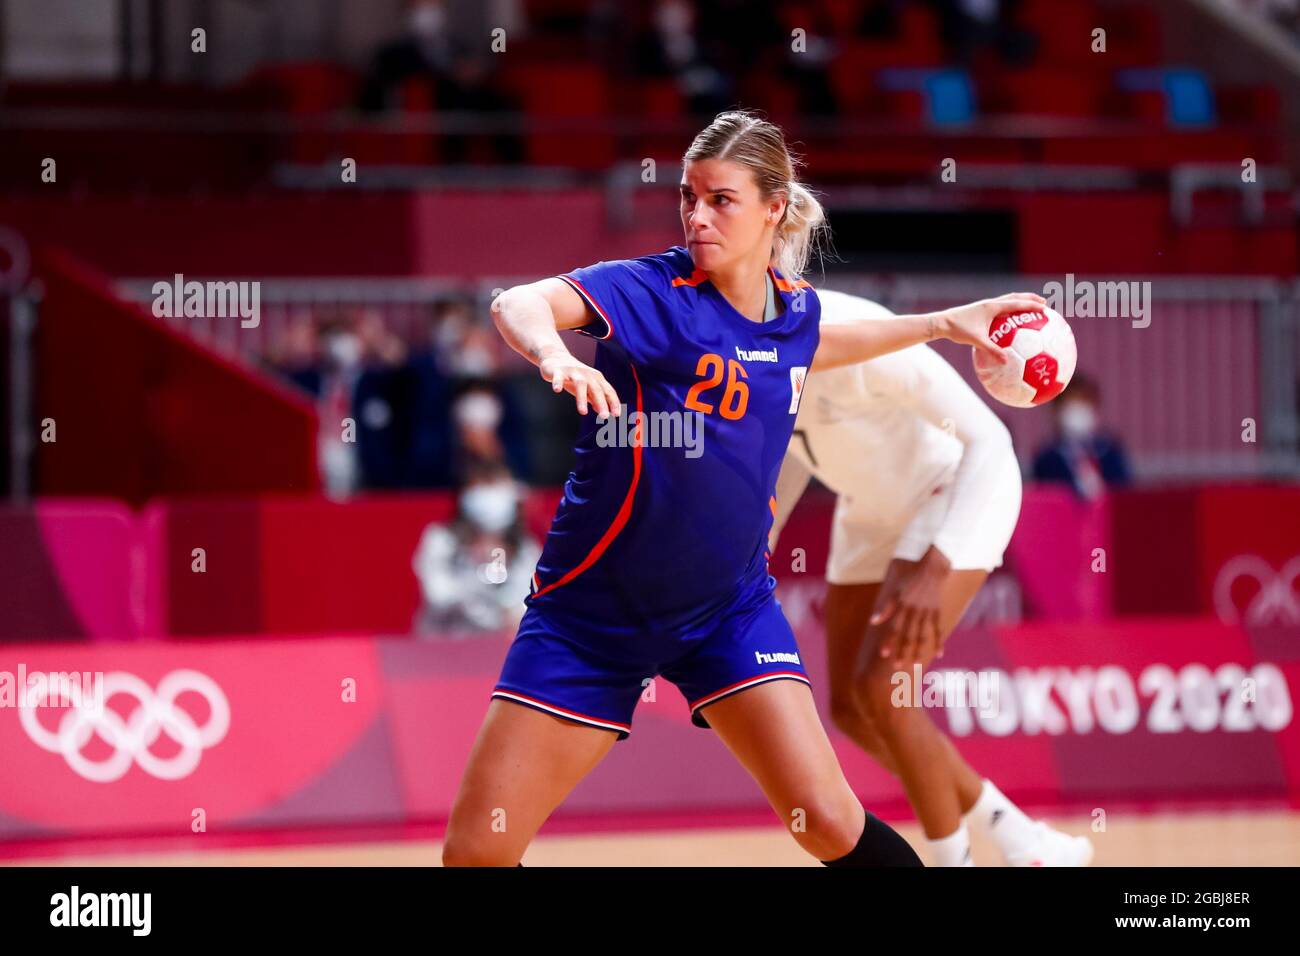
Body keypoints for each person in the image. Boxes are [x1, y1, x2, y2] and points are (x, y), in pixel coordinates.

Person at [441, 109, 1046, 867]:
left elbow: (824, 339)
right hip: (590, 618)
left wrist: (942, 324)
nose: (697, 215)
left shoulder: (791, 315)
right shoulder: (650, 291)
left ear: (775, 209)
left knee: (827, 820)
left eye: (720, 199)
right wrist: (549, 355)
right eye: (689, 196)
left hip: (726, 613)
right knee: (475, 854)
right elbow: (517, 302)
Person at [771, 289, 1094, 866]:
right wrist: (759, 542)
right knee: (849, 705)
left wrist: (936, 565)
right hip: (869, 505)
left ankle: (955, 861)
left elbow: (991, 440)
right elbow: (793, 450)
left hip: (952, 490)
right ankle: (1021, 837)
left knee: (883, 688)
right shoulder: (748, 349)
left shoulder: (858, 331)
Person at [412, 461, 541, 635]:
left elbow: (525, 603)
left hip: (499, 648)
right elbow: (439, 596)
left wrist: (499, 577)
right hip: (446, 643)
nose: (490, 500)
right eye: (483, 488)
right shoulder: (441, 540)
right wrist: (474, 567)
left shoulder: (525, 548)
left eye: (496, 487)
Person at [1030, 372, 1132, 499]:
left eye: (1083, 403)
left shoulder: (1110, 450)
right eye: (1070, 404)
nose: (1077, 412)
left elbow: (1124, 489)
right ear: (1057, 411)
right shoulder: (1046, 458)